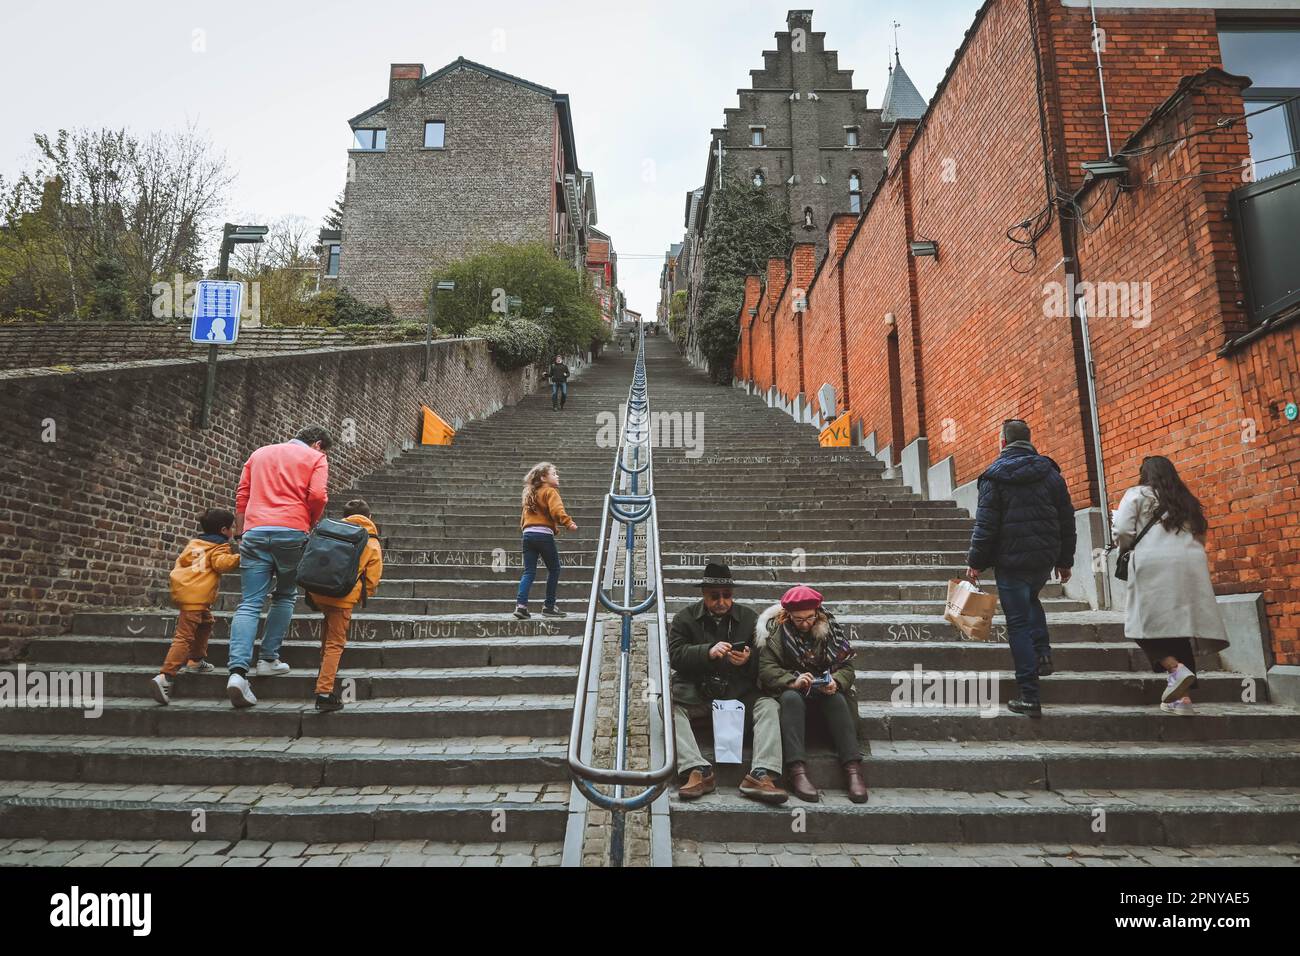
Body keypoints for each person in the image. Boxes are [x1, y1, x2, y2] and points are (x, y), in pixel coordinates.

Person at [966, 418, 1076, 718]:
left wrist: (976, 562)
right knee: (1031, 599)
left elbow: (987, 525)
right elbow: (1067, 518)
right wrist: (1065, 560)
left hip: (1011, 560)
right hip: (1042, 557)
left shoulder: (994, 477)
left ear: (1002, 442)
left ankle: (1029, 694)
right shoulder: (1050, 473)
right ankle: (1042, 654)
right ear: (1029, 439)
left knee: (1017, 623)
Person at [1112, 456, 1228, 716]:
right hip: (1189, 563)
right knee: (1178, 628)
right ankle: (1182, 700)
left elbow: (1121, 530)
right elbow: (1200, 533)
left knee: (1138, 625)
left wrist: (1126, 550)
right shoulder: (1184, 498)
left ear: (1145, 474)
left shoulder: (1136, 494)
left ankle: (1175, 668)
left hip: (1151, 562)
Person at [227, 426, 331, 708]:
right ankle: (268, 659)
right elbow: (318, 495)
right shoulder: (315, 458)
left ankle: (237, 673)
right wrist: (309, 522)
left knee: (249, 602)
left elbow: (242, 495)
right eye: (323, 449)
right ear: (318, 444)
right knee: (285, 595)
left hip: (254, 531)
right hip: (292, 530)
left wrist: (240, 531)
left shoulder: (259, 453)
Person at [667, 561, 788, 804]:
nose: (722, 601)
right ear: (703, 594)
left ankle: (761, 774)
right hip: (699, 693)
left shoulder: (750, 618)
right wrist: (707, 652)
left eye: (727, 595)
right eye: (714, 596)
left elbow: (766, 661)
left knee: (770, 706)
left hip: (740, 693)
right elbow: (675, 656)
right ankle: (696, 769)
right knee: (666, 706)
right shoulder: (684, 618)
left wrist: (747, 660)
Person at [757, 585, 867, 803]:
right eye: (799, 619)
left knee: (835, 698)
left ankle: (853, 769)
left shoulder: (830, 628)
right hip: (793, 695)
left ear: (817, 612)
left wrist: (836, 681)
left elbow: (847, 666)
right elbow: (766, 669)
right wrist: (793, 681)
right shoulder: (775, 631)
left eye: (810, 618)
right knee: (790, 698)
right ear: (787, 615)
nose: (806, 623)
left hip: (824, 695)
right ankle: (797, 770)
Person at [150, 508, 241, 705]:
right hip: (196, 597)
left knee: (206, 622)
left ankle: (196, 660)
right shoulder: (220, 547)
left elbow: (183, 562)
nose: (234, 530)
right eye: (232, 527)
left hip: (186, 593)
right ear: (224, 530)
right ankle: (165, 676)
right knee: (184, 637)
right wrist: (241, 556)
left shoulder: (195, 543)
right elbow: (222, 564)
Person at [304, 498, 383, 713]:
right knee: (335, 644)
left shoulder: (331, 532)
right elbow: (372, 579)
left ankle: (324, 673)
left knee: (327, 634)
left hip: (318, 590)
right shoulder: (371, 541)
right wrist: (359, 596)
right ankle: (324, 692)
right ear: (370, 517)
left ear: (345, 516)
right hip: (343, 597)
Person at [514, 462, 577, 619]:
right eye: (554, 473)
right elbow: (556, 510)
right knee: (554, 569)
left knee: (529, 571)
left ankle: (521, 606)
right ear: (543, 478)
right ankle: (549, 606)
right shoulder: (550, 491)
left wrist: (529, 530)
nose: (557, 476)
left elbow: (524, 518)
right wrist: (568, 522)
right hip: (543, 535)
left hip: (528, 535)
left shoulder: (530, 493)